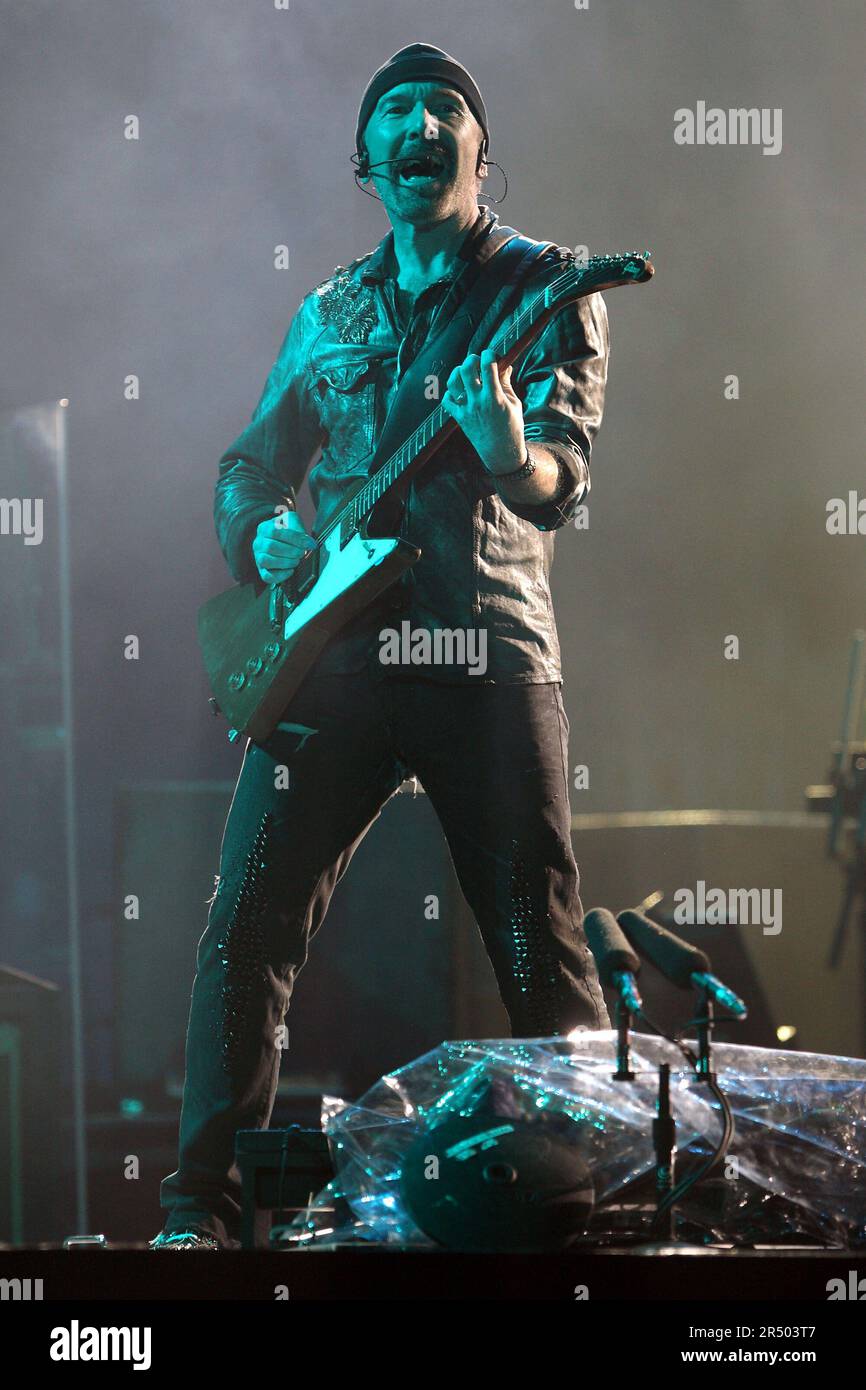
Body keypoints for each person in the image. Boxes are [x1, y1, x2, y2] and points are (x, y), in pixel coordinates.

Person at [152, 43, 611, 1250]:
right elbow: (249, 464)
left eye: (444, 108)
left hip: (486, 647)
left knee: (532, 935)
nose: (420, 124)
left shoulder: (547, 286)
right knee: (245, 923)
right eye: (395, 111)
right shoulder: (329, 312)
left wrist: (507, 453)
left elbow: (562, 475)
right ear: (367, 161)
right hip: (336, 658)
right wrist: (264, 540)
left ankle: (585, 1207)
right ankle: (198, 1209)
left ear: (476, 147)